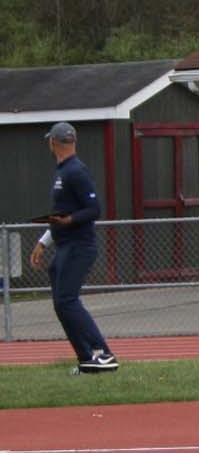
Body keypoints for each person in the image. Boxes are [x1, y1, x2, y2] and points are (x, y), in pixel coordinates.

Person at [27, 122, 119, 375]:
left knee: (67, 300)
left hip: (79, 246)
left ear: (52, 142)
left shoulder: (76, 171)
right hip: (64, 245)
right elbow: (60, 214)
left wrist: (69, 221)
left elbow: (93, 209)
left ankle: (103, 354)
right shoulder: (62, 172)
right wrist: (43, 242)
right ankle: (87, 359)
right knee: (61, 303)